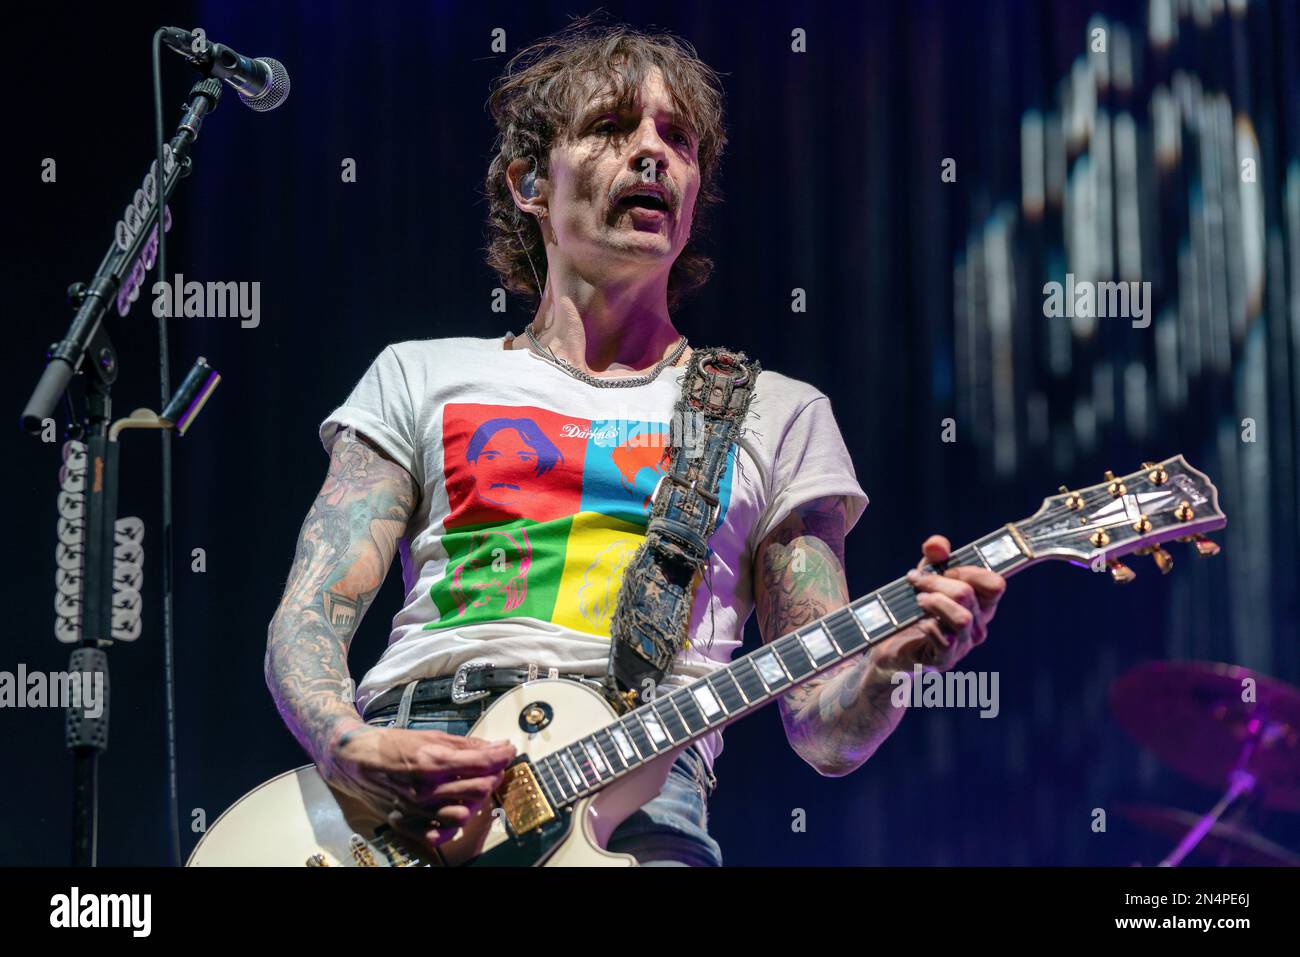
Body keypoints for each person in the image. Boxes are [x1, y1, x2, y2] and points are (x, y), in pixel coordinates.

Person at [264, 18, 1005, 867]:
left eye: (678, 139)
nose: (653, 152)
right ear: (529, 183)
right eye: (613, 127)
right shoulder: (420, 374)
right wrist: (347, 746)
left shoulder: (775, 411)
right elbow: (310, 616)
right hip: (411, 770)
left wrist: (890, 665)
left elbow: (822, 730)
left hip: (639, 802)